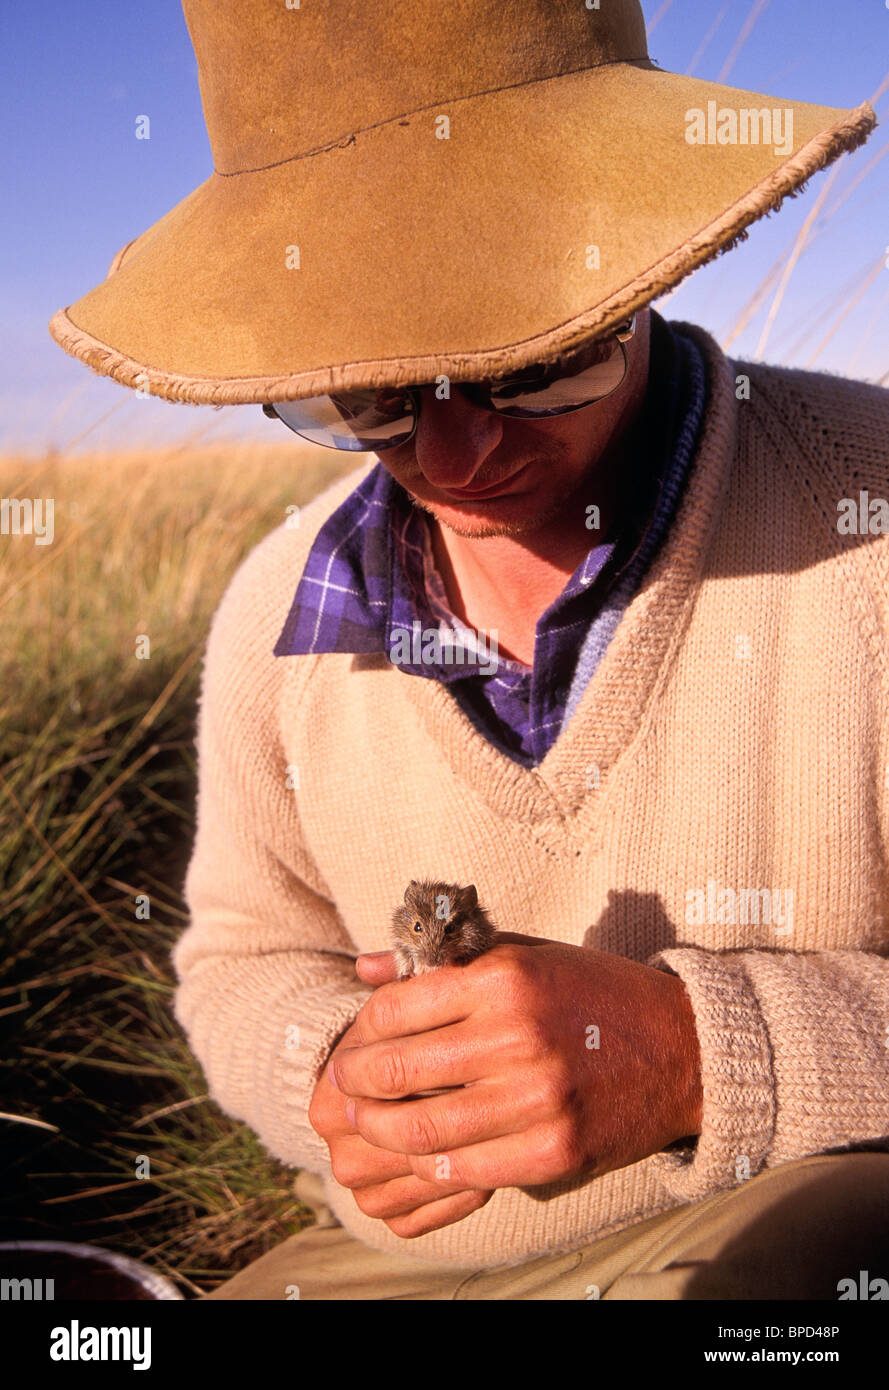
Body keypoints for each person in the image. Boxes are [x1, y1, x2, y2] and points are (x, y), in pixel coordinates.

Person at [49, 0, 889, 1300]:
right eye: (369, 392)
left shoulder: (866, 513)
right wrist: (327, 1072)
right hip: (379, 1261)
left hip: (785, 1227)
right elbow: (237, 956)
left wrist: (701, 1056)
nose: (452, 461)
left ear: (642, 265)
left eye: (527, 358)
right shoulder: (280, 610)